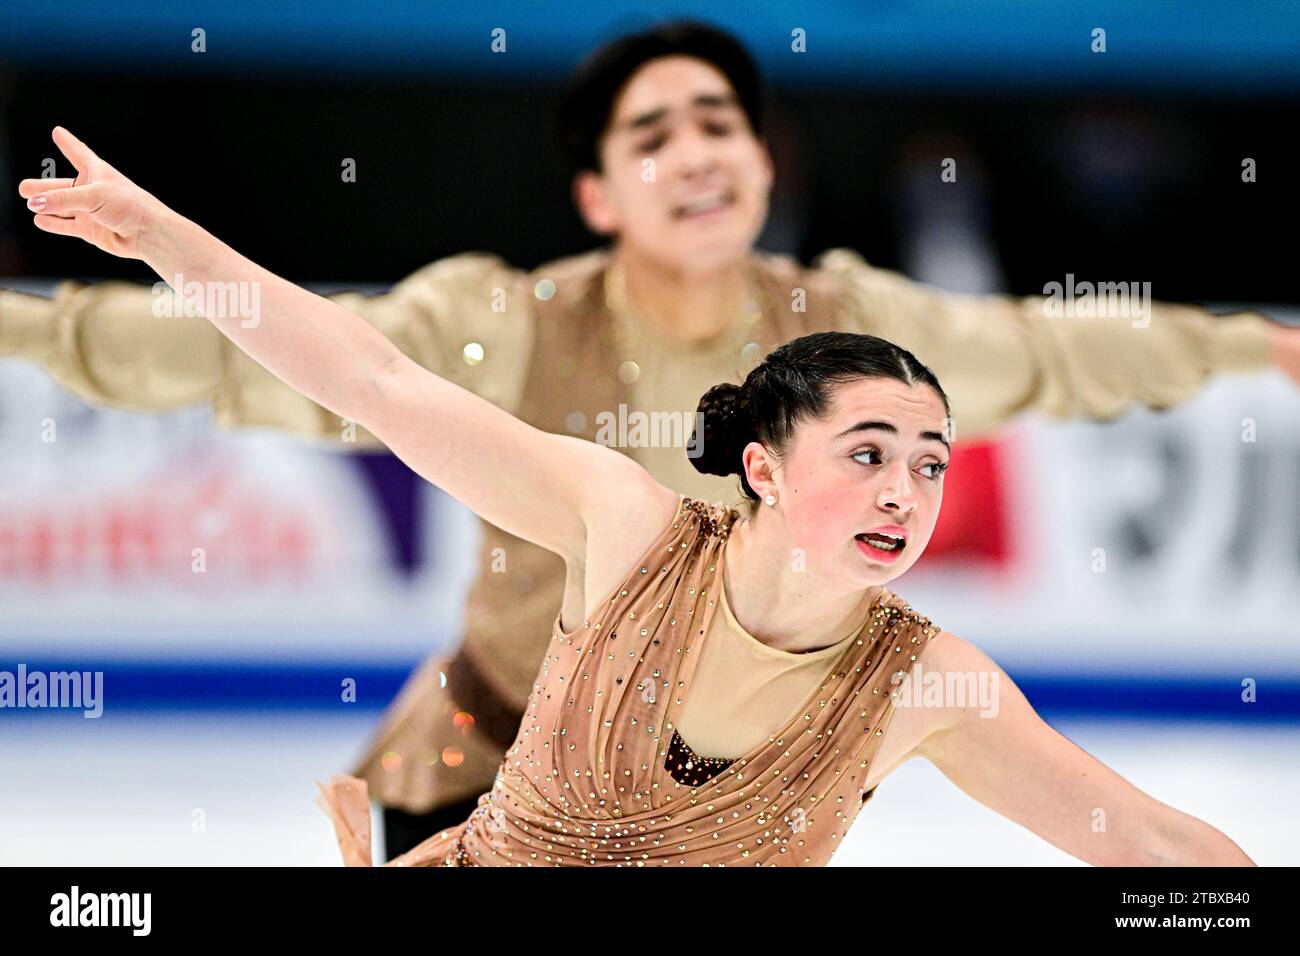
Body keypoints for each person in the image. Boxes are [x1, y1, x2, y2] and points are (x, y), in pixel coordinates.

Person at [6, 22, 1296, 862]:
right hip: (491, 725)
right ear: (594, 193)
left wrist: (1254, 341)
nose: (696, 155)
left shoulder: (855, 339)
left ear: (765, 162)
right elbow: (339, 367)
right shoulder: (512, 330)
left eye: (722, 124)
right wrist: (70, 300)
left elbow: (1065, 350)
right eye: (652, 134)